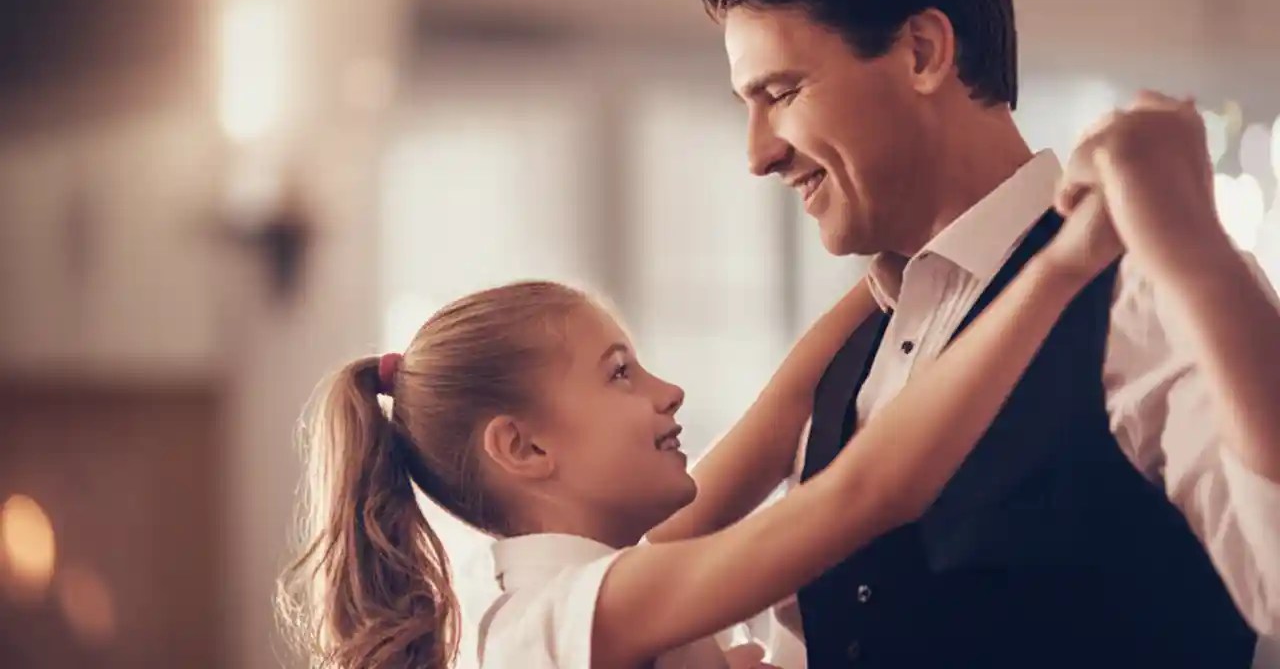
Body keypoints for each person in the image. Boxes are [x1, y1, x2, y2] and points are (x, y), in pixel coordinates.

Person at [695, 0, 1279, 666]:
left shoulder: (1149, 294)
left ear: (922, 52)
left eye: (781, 93)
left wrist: (1197, 254)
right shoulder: (845, 362)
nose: (756, 155)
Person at [276, 187, 1119, 668]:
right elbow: (867, 492)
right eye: (620, 374)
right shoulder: (574, 614)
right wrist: (1057, 271)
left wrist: (883, 283)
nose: (669, 391)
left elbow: (777, 419)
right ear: (525, 448)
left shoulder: (594, 586)